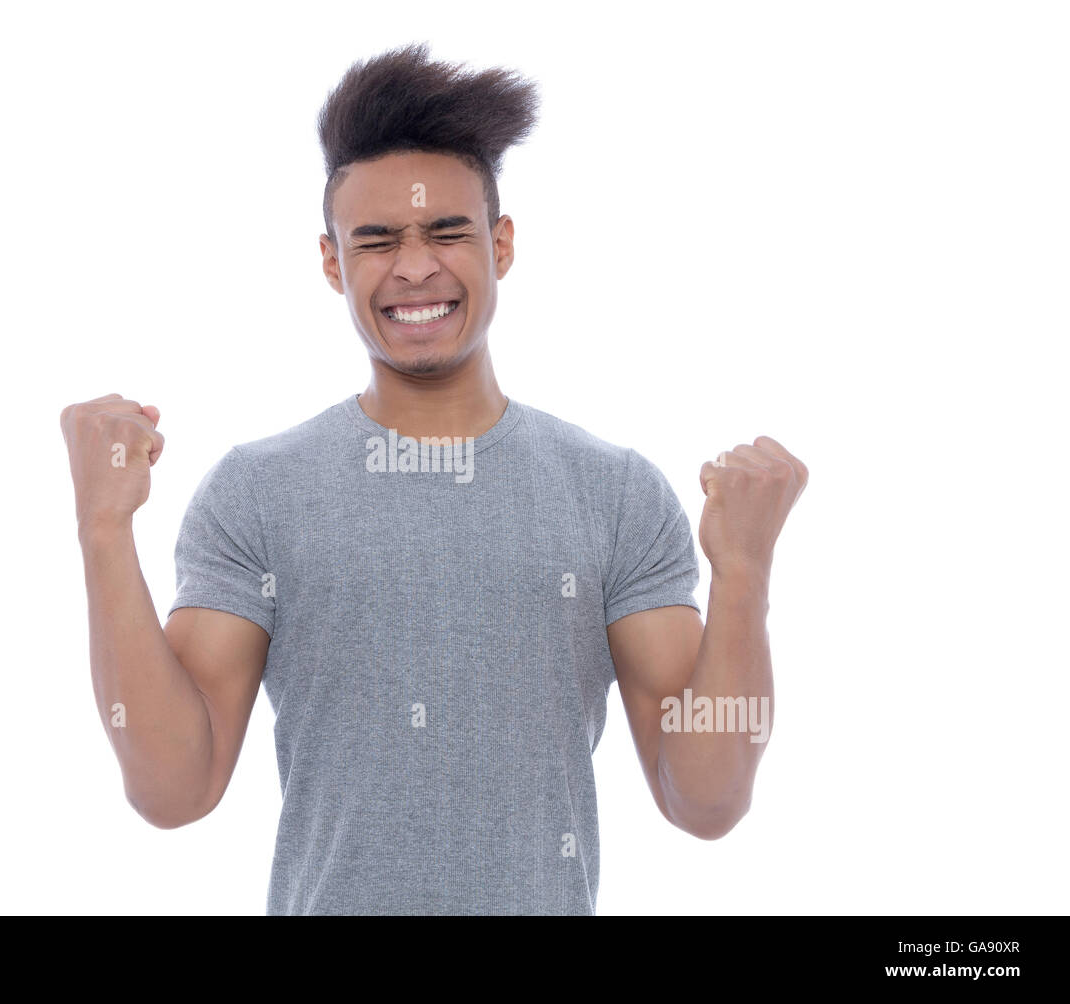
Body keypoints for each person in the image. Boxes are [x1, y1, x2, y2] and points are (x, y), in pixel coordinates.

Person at [59, 42, 808, 915]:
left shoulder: (615, 496)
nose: (414, 266)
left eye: (446, 232)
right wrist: (104, 534)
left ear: (501, 244)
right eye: (376, 241)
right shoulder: (255, 494)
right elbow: (173, 789)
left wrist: (744, 578)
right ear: (334, 263)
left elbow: (705, 800)